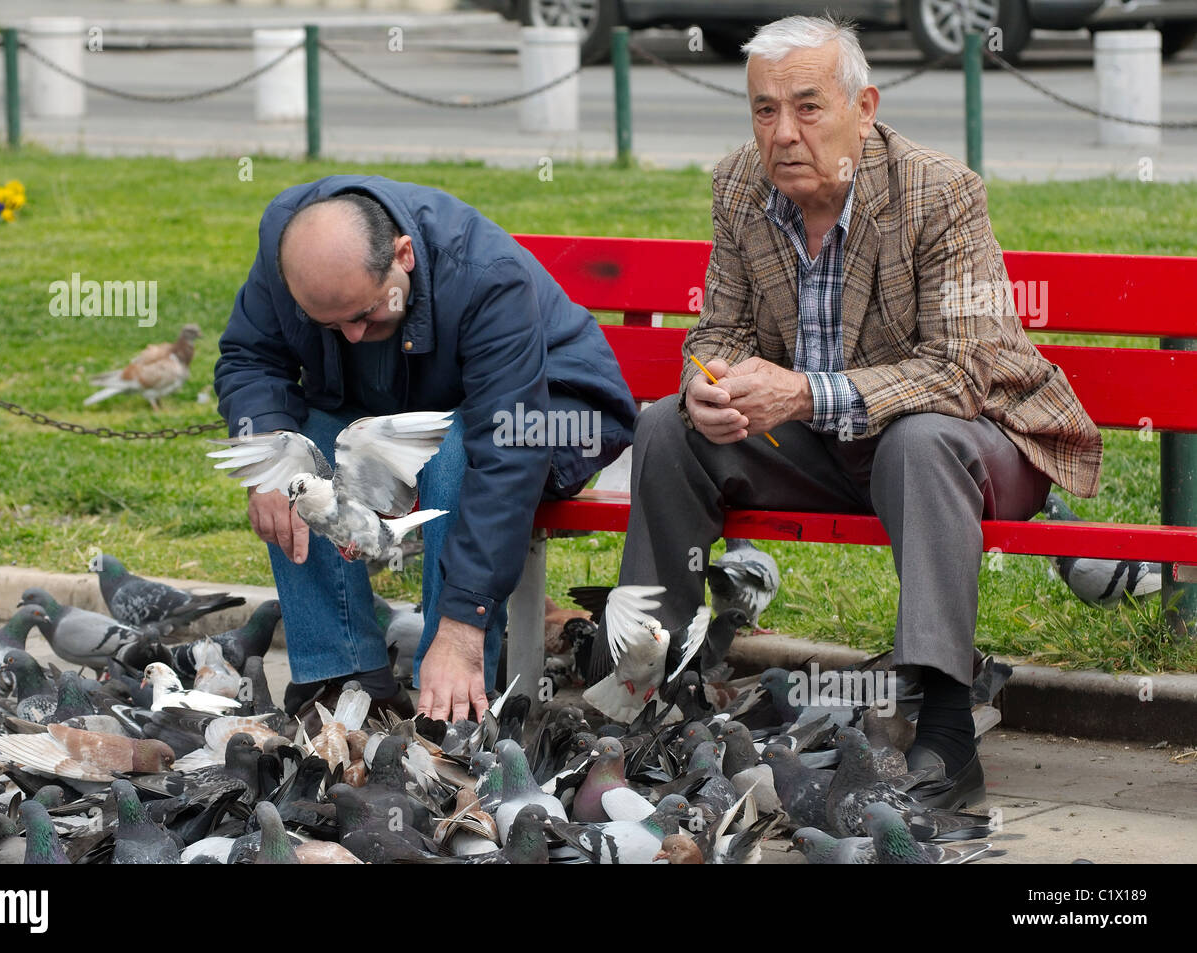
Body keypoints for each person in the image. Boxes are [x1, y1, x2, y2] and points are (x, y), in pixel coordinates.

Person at [613, 16, 1101, 806]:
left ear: (863, 107)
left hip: (981, 441)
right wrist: (705, 378)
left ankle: (945, 728)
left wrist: (804, 392)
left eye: (808, 107)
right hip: (832, 449)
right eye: (764, 110)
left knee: (920, 440)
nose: (783, 133)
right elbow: (721, 326)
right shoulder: (741, 184)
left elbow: (961, 370)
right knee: (666, 427)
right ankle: (657, 692)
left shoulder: (939, 192)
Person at [215, 178, 637, 723]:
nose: (349, 335)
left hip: (551, 411)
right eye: (329, 323)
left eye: (366, 314)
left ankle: (455, 697)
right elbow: (250, 360)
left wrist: (463, 623)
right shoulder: (289, 250)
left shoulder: (486, 276)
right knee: (291, 452)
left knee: (454, 452)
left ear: (404, 256)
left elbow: (505, 456)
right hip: (419, 408)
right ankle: (343, 680)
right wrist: (265, 453)